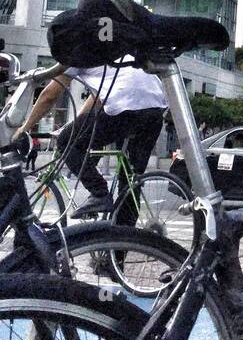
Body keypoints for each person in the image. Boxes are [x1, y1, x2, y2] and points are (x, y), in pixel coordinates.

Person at [14, 62, 167, 224]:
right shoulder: (110, 48)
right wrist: (72, 126)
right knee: (131, 179)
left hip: (125, 106)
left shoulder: (75, 51)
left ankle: (99, 193)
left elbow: (49, 96)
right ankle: (123, 241)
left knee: (66, 140)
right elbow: (96, 98)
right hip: (155, 109)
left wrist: (24, 128)